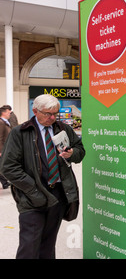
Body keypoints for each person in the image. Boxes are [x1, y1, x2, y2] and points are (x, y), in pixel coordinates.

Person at [0, 94, 85, 259]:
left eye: (55, 114)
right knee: (29, 246)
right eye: (47, 114)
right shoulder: (20, 132)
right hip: (31, 196)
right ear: (35, 111)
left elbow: (80, 151)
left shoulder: (63, 128)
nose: (52, 118)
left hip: (58, 195)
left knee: (48, 244)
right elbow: (8, 167)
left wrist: (72, 154)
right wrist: (32, 189)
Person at [0, 106, 12, 189]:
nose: (10, 113)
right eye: (8, 112)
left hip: (6, 148)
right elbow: (0, 137)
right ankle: (4, 182)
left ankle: (5, 182)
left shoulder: (6, 122)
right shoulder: (1, 123)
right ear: (3, 113)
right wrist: (1, 151)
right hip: (2, 149)